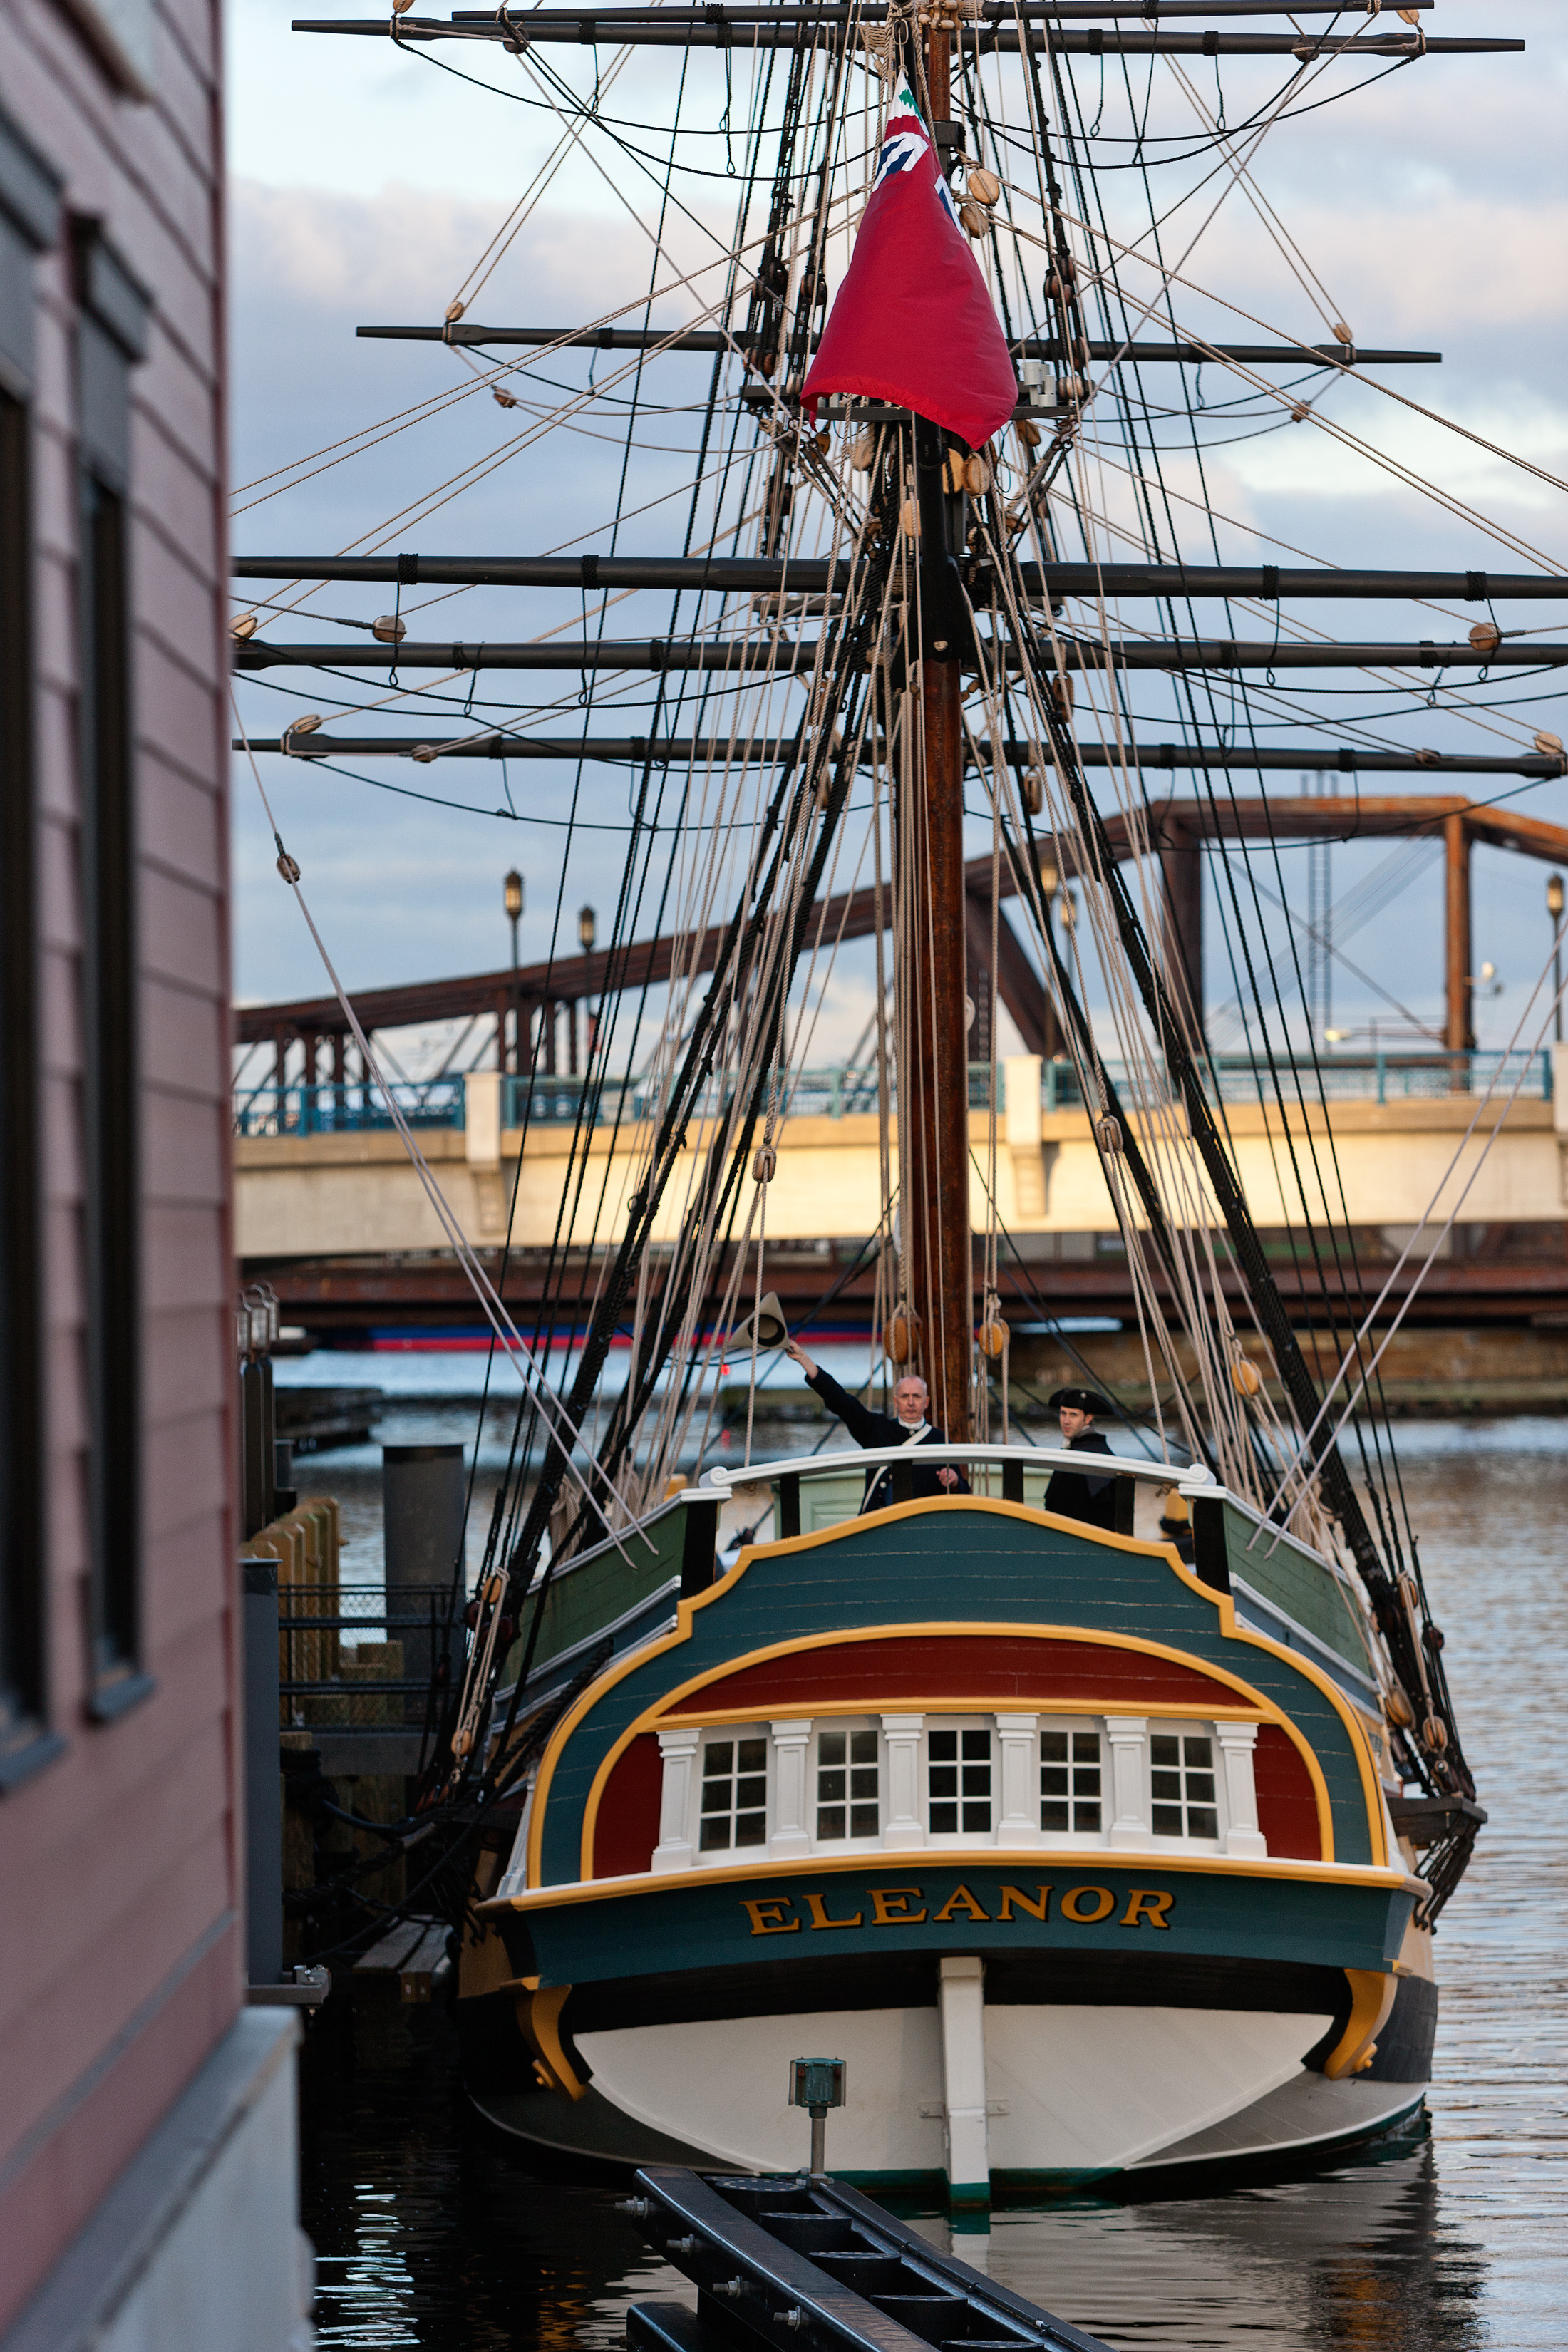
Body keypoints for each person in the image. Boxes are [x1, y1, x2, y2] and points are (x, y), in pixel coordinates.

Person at [782, 1341, 970, 1512]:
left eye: (917, 1396)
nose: (911, 1403)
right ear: (896, 1402)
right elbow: (841, 1401)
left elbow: (963, 1494)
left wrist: (953, 1482)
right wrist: (804, 1360)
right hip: (876, 1526)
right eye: (905, 1397)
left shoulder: (940, 1440)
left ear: (926, 1402)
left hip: (923, 1531)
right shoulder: (876, 1429)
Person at [1043, 1386, 1120, 1532]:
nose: (1066, 1421)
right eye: (1063, 1413)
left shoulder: (1092, 1454)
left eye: (1073, 1415)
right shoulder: (1077, 1450)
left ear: (1088, 1419)